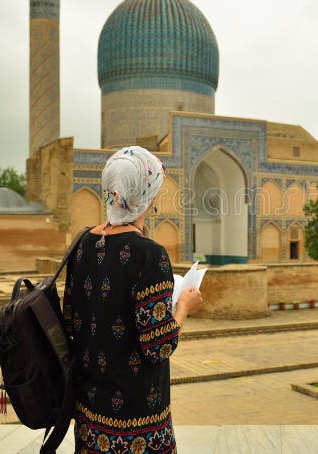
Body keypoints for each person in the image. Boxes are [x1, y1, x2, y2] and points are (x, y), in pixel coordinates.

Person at [63, 146, 202, 454]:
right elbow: (159, 345)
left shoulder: (82, 244)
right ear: (146, 194)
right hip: (138, 421)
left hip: (89, 416)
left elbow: (71, 319)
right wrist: (183, 307)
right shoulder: (149, 255)